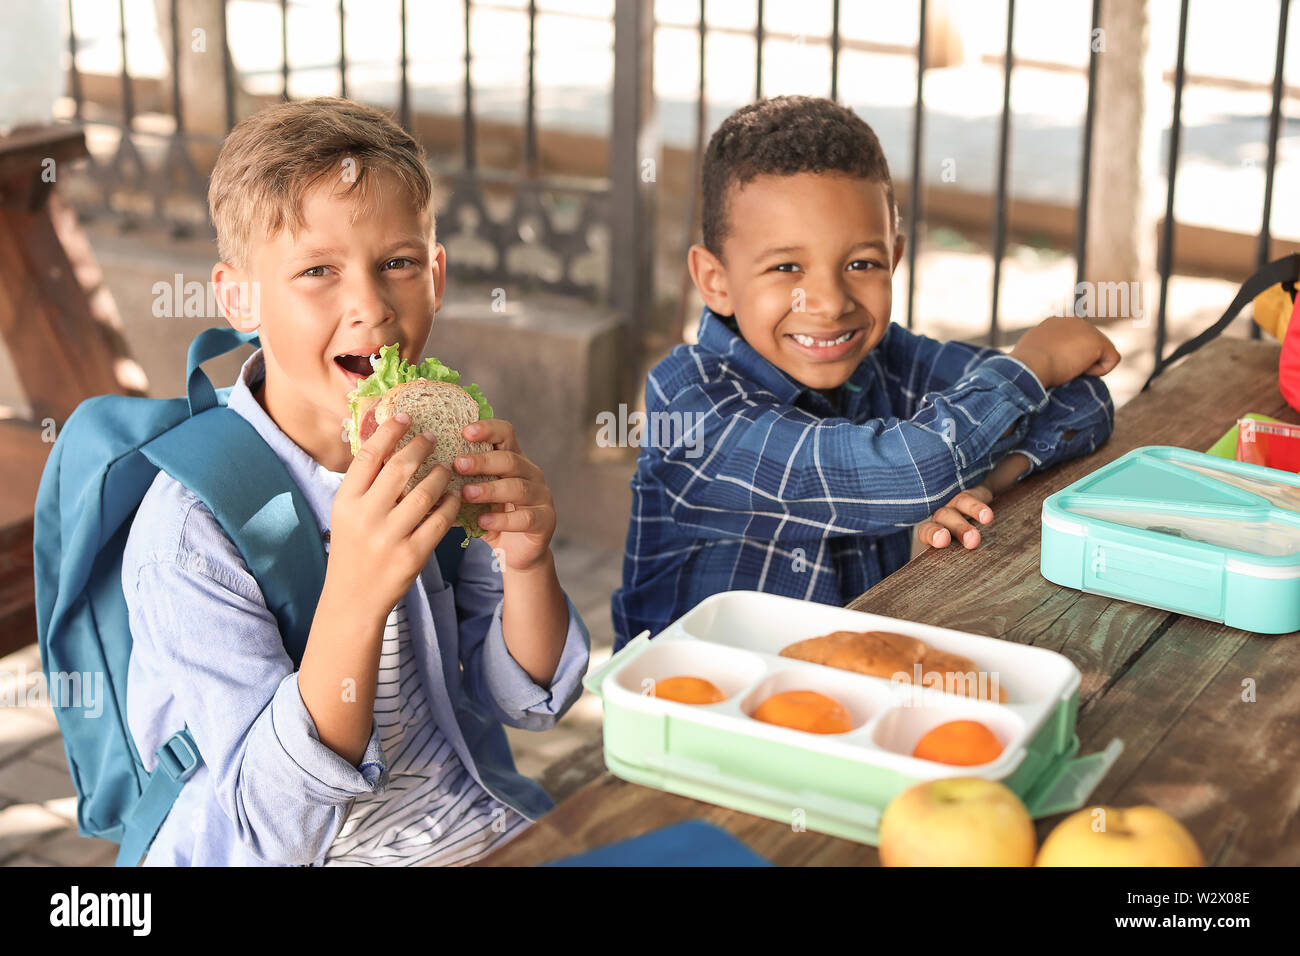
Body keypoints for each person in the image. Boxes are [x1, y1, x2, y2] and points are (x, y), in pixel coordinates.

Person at [120, 97, 590, 865]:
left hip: (473, 818)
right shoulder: (190, 533)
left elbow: (526, 703)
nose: (369, 306)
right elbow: (273, 829)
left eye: (398, 263)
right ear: (239, 298)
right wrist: (357, 591)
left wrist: (529, 560)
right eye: (316, 271)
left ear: (436, 275)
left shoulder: (435, 446)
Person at [612, 95, 1119, 650]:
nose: (829, 303)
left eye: (862, 264)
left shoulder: (892, 364)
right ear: (715, 280)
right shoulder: (690, 405)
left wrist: (988, 478)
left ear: (895, 259)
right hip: (687, 721)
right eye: (786, 267)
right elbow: (905, 472)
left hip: (847, 704)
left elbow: (1084, 400)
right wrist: (1033, 363)